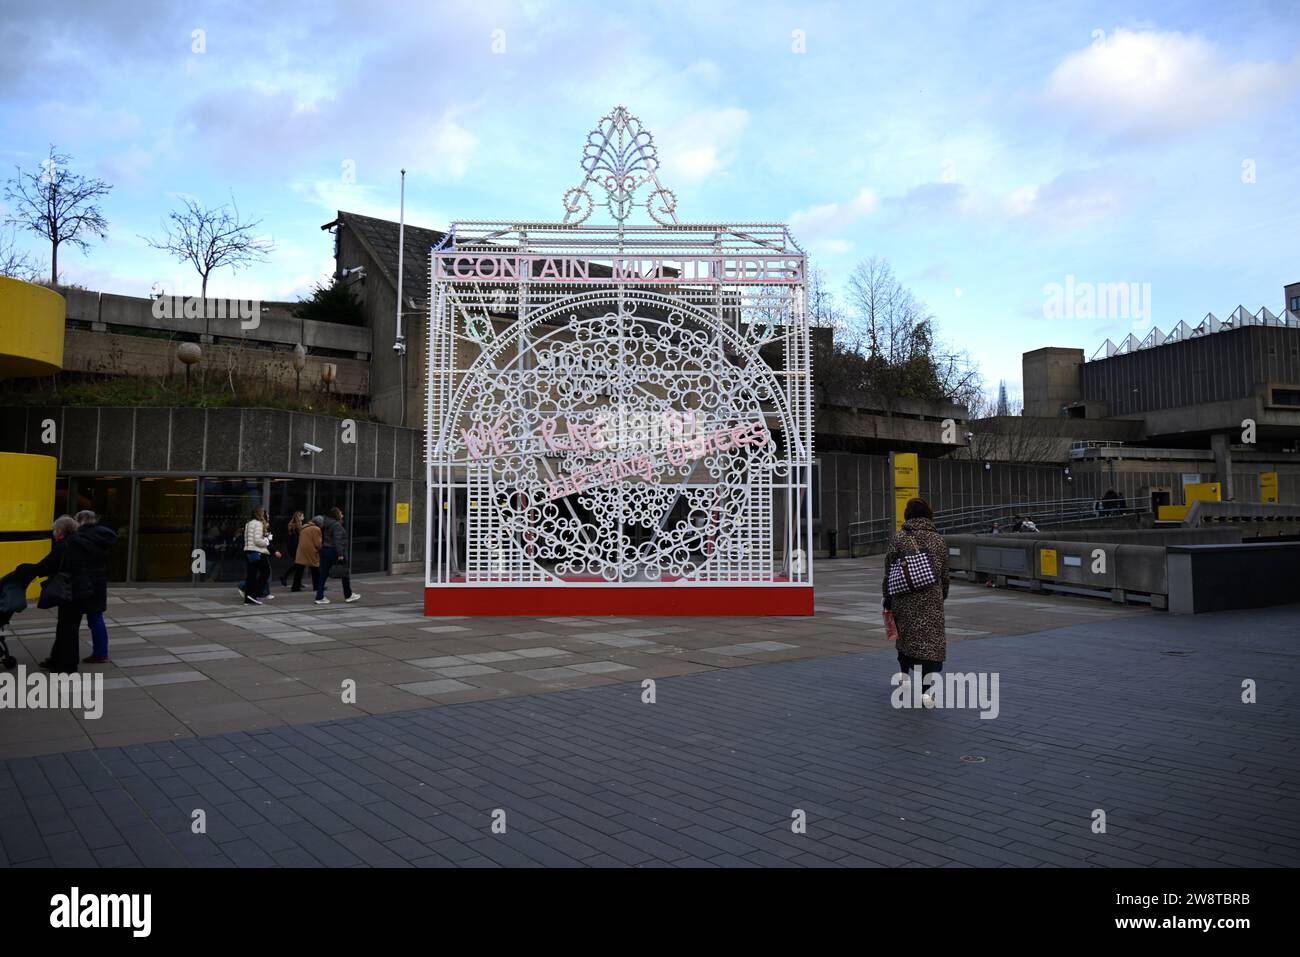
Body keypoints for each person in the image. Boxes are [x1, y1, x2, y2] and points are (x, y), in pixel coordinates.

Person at [23, 514, 116, 673]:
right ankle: (58, 659)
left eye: (55, 530)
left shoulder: (66, 545)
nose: (54, 533)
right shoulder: (82, 542)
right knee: (66, 627)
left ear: (60, 531)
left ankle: (67, 665)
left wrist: (24, 569)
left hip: (72, 591)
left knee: (68, 628)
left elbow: (47, 565)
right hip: (81, 590)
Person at [882, 498, 950, 707]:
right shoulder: (938, 540)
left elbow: (889, 571)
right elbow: (944, 574)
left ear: (908, 515)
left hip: (903, 598)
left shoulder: (900, 538)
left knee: (906, 637)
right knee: (930, 642)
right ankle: (926, 692)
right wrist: (942, 594)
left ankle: (904, 674)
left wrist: (887, 596)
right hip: (931, 599)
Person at [74, 510, 118, 664]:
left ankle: (69, 654)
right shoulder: (103, 537)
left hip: (82, 581)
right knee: (96, 616)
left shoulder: (79, 537)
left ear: (81, 520)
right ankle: (101, 652)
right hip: (99, 582)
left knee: (71, 620)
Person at [313, 507, 360, 605]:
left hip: (325, 551)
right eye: (341, 513)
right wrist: (340, 555)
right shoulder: (336, 525)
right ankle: (348, 595)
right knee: (344, 573)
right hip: (333, 551)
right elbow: (337, 541)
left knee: (323, 575)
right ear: (336, 514)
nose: (342, 514)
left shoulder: (326, 524)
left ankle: (319, 597)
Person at [239, 507, 273, 606]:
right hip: (257, 552)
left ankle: (248, 598)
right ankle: (254, 594)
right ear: (260, 514)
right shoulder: (258, 524)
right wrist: (267, 541)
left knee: (251, 575)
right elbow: (257, 540)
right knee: (266, 572)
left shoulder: (248, 523)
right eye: (264, 513)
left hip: (249, 551)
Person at [280, 511, 306, 592]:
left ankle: (296, 581)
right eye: (302, 516)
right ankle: (286, 577)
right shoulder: (297, 526)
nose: (303, 517)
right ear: (299, 517)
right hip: (295, 548)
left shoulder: (292, 525)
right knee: (299, 565)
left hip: (292, 547)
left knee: (298, 565)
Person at [297, 518, 323, 598]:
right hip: (311, 550)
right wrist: (320, 549)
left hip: (301, 550)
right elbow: (317, 543)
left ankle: (295, 586)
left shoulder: (304, 527)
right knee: (315, 569)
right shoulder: (316, 529)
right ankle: (317, 586)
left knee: (299, 569)